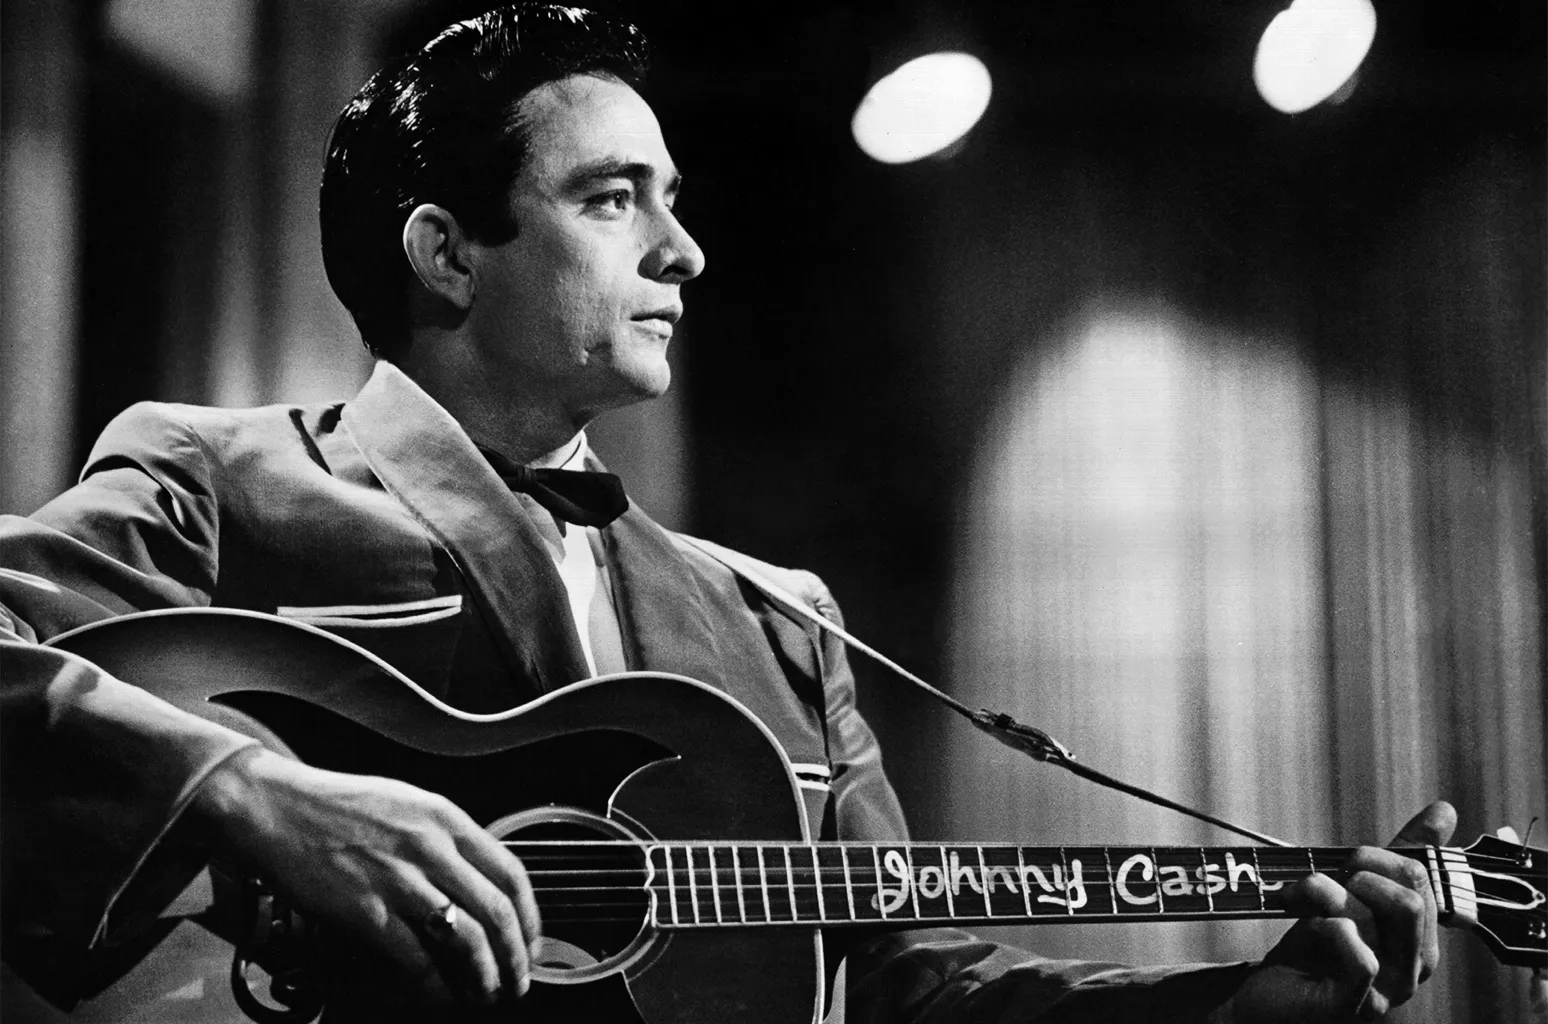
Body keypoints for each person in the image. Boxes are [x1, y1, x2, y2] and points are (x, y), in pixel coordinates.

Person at [0, 5, 1454, 1021]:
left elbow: (912, 984)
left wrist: (1239, 1005)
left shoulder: (780, 619)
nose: (686, 250)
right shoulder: (216, 477)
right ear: (446, 251)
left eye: (675, 198)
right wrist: (251, 794)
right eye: (613, 199)